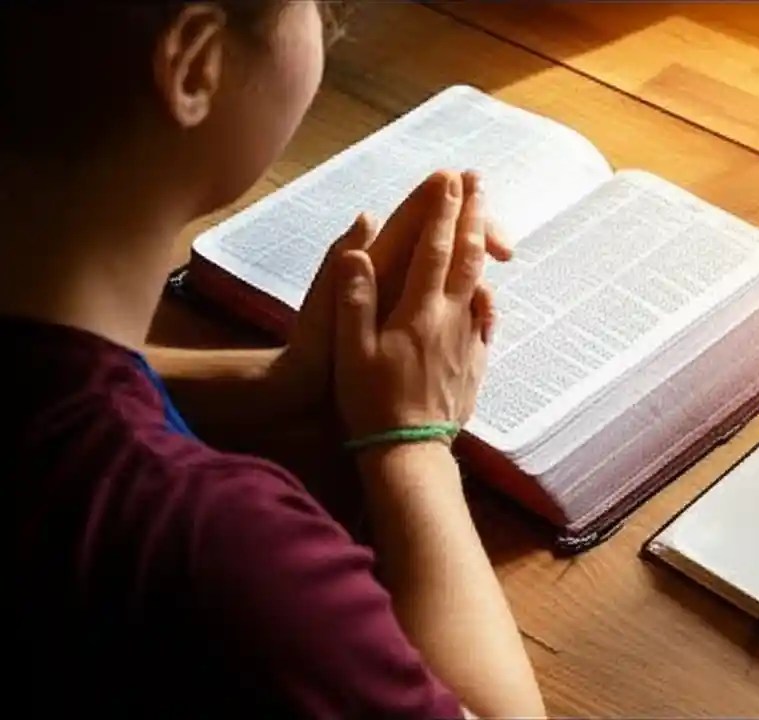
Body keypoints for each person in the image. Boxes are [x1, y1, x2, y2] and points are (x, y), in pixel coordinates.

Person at [0, 2, 545, 718]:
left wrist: (273, 381)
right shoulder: (216, 551)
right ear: (195, 65)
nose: (328, 22)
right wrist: (410, 436)